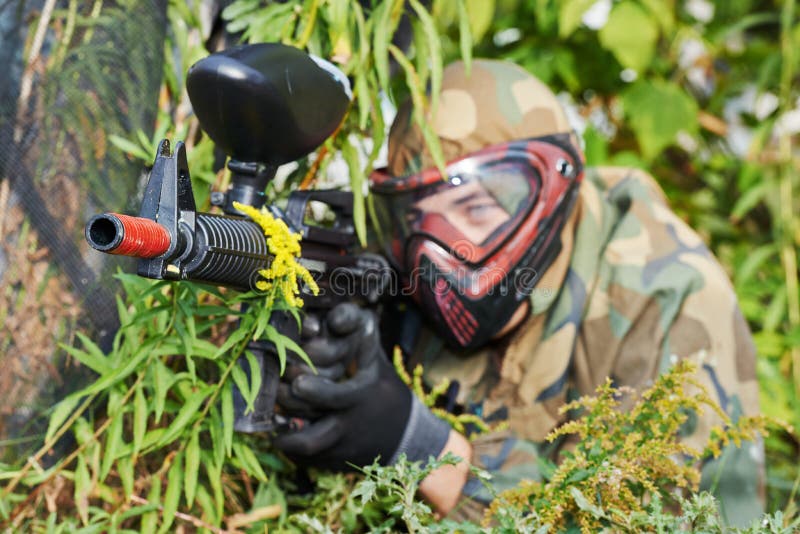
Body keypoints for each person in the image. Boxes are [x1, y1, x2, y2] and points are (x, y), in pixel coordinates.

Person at [272, 59, 764, 526]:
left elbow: (643, 523)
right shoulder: (401, 270)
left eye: (476, 209)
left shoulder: (670, 303)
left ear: (553, 194)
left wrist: (420, 447)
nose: (440, 253)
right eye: (417, 219)